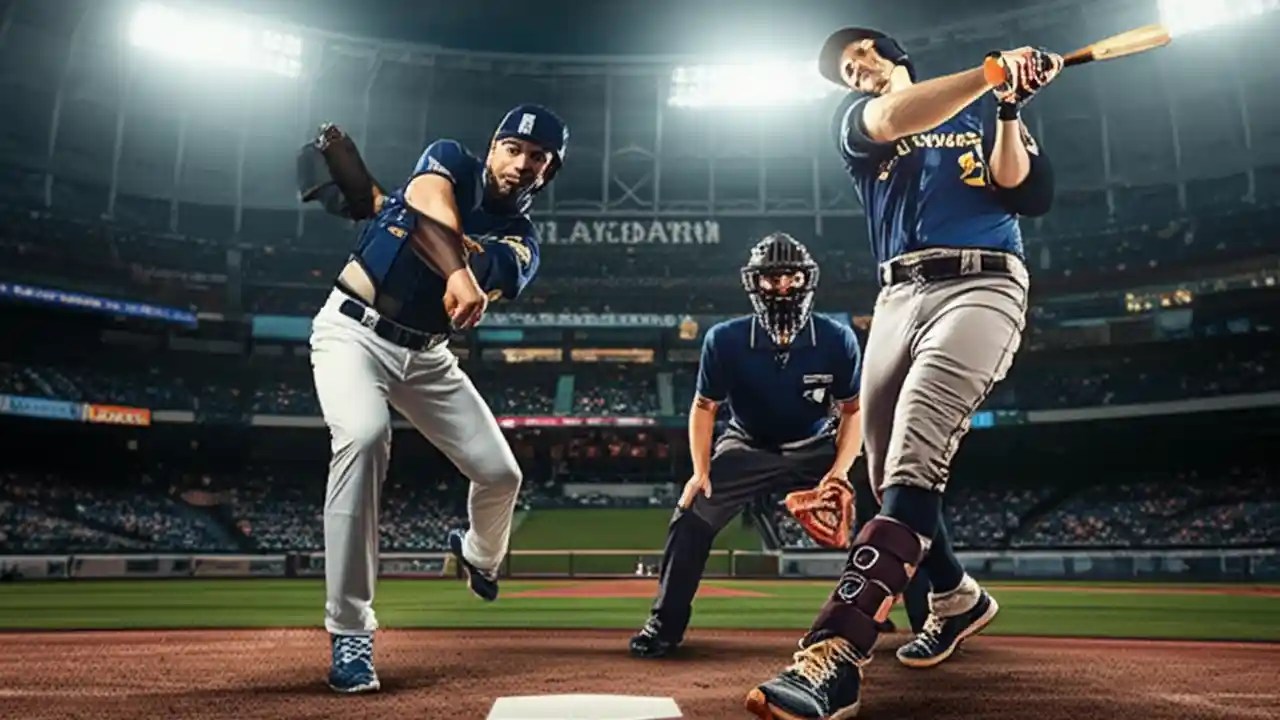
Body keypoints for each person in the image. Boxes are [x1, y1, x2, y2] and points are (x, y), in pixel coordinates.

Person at [745, 28, 1060, 719]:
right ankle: (956, 597)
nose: (856, 68)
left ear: (894, 50)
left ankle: (837, 655)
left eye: (863, 52)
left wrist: (1008, 106)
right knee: (888, 473)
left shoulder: (980, 109)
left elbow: (1024, 193)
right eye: (845, 68)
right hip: (896, 295)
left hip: (983, 284)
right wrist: (990, 73)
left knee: (916, 447)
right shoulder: (859, 122)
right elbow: (895, 116)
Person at [302, 104, 569, 694]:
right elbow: (428, 201)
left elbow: (452, 243)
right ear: (493, 146)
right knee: (366, 437)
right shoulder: (449, 156)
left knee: (501, 474)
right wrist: (426, 233)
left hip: (426, 356)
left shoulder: (523, 241)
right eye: (513, 148)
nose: (522, 163)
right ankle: (351, 630)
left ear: (548, 172)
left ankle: (478, 554)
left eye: (539, 158)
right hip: (352, 332)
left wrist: (400, 217)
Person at [629, 233, 864, 658]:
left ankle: (888, 611)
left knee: (893, 503)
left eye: (790, 276)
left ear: (807, 279)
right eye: (770, 278)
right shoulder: (725, 339)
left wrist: (840, 471)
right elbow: (704, 408)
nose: (781, 287)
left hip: (818, 444)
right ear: (753, 283)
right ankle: (663, 626)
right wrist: (700, 472)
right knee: (690, 517)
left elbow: (853, 411)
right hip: (747, 446)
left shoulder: (837, 338)